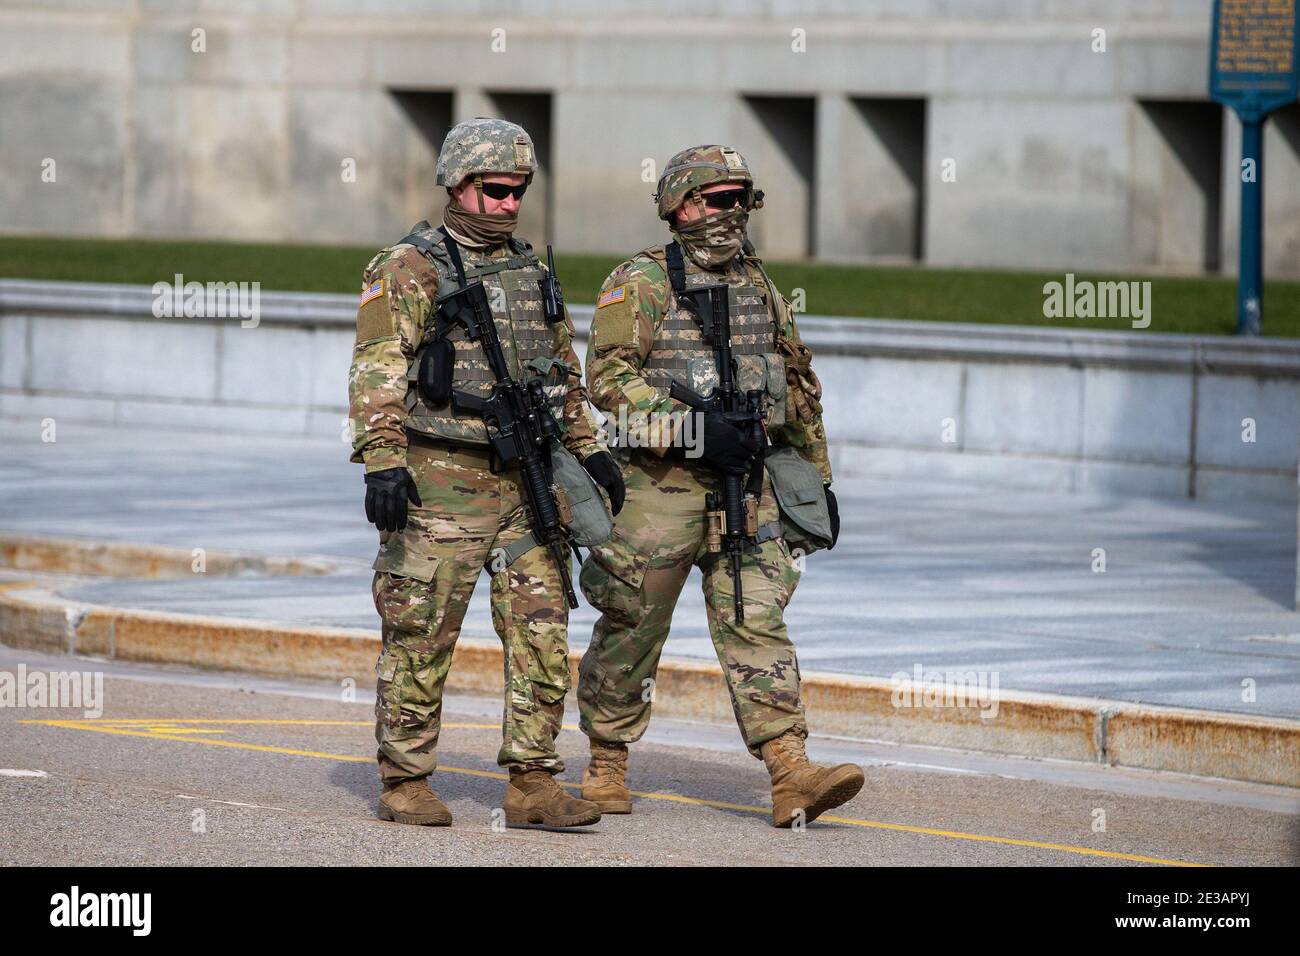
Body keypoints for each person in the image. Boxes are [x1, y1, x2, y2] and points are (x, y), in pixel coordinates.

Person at [347, 117, 624, 829]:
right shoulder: (409, 267)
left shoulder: (530, 269)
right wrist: (383, 460)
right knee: (423, 628)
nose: (509, 204)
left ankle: (533, 781)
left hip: (524, 480)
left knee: (542, 625)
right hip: (440, 476)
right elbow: (379, 367)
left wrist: (588, 448)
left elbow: (561, 370)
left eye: (518, 191)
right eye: (495, 190)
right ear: (458, 185)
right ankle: (405, 778)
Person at [575, 144, 862, 828]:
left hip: (749, 486)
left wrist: (816, 479)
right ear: (679, 205)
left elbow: (798, 386)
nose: (730, 212)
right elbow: (608, 382)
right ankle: (606, 758)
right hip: (658, 489)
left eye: (740, 198)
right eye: (715, 199)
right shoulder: (639, 281)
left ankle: (790, 770)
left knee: (757, 619)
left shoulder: (761, 286)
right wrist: (691, 429)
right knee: (632, 624)